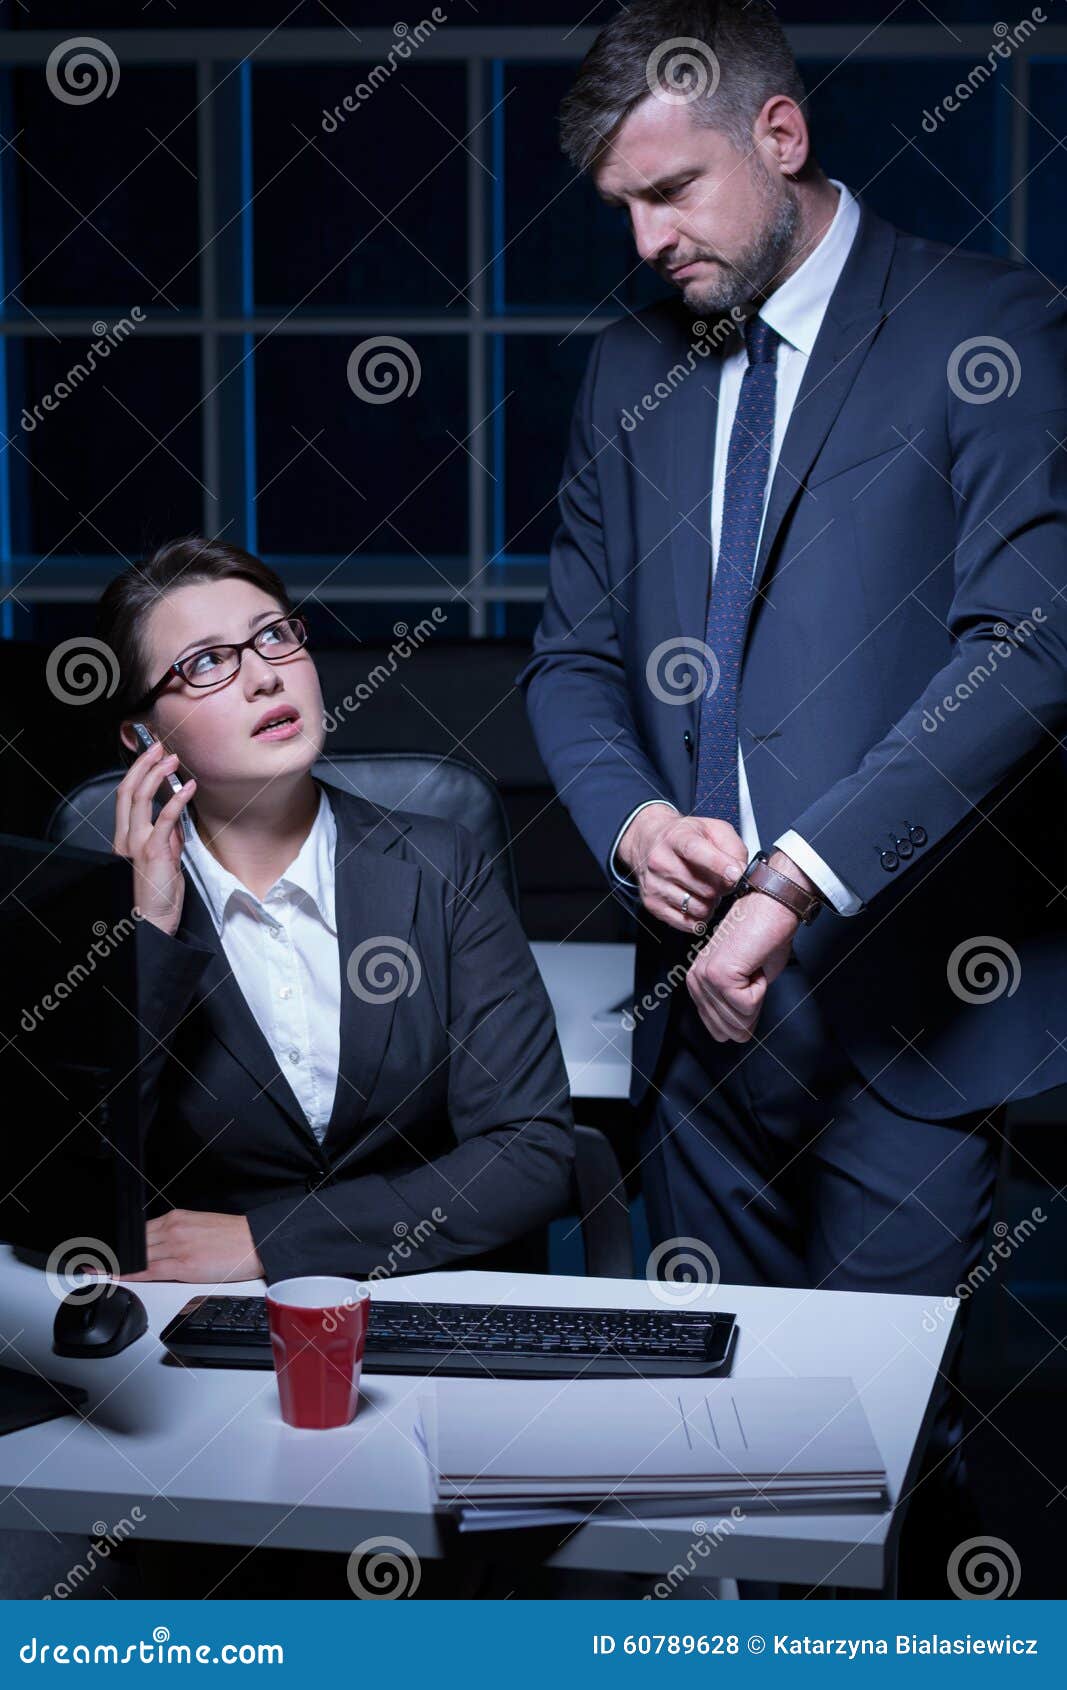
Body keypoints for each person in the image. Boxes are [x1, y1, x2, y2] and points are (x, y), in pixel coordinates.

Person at [518, 0, 1067, 1595]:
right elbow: (567, 661)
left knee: (875, 1463)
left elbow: (1027, 649)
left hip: (916, 1013)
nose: (643, 237)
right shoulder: (630, 361)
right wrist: (630, 822)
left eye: (672, 190)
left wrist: (795, 877)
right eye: (619, 204)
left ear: (778, 135)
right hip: (703, 1033)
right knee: (718, 1475)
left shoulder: (994, 321)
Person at [96, 534, 574, 1288]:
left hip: (428, 1303)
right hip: (191, 1325)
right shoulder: (99, 901)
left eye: (273, 636)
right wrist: (147, 933)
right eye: (207, 662)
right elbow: (65, 1184)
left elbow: (533, 1155)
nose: (262, 677)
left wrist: (272, 1239)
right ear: (146, 737)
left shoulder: (442, 862)